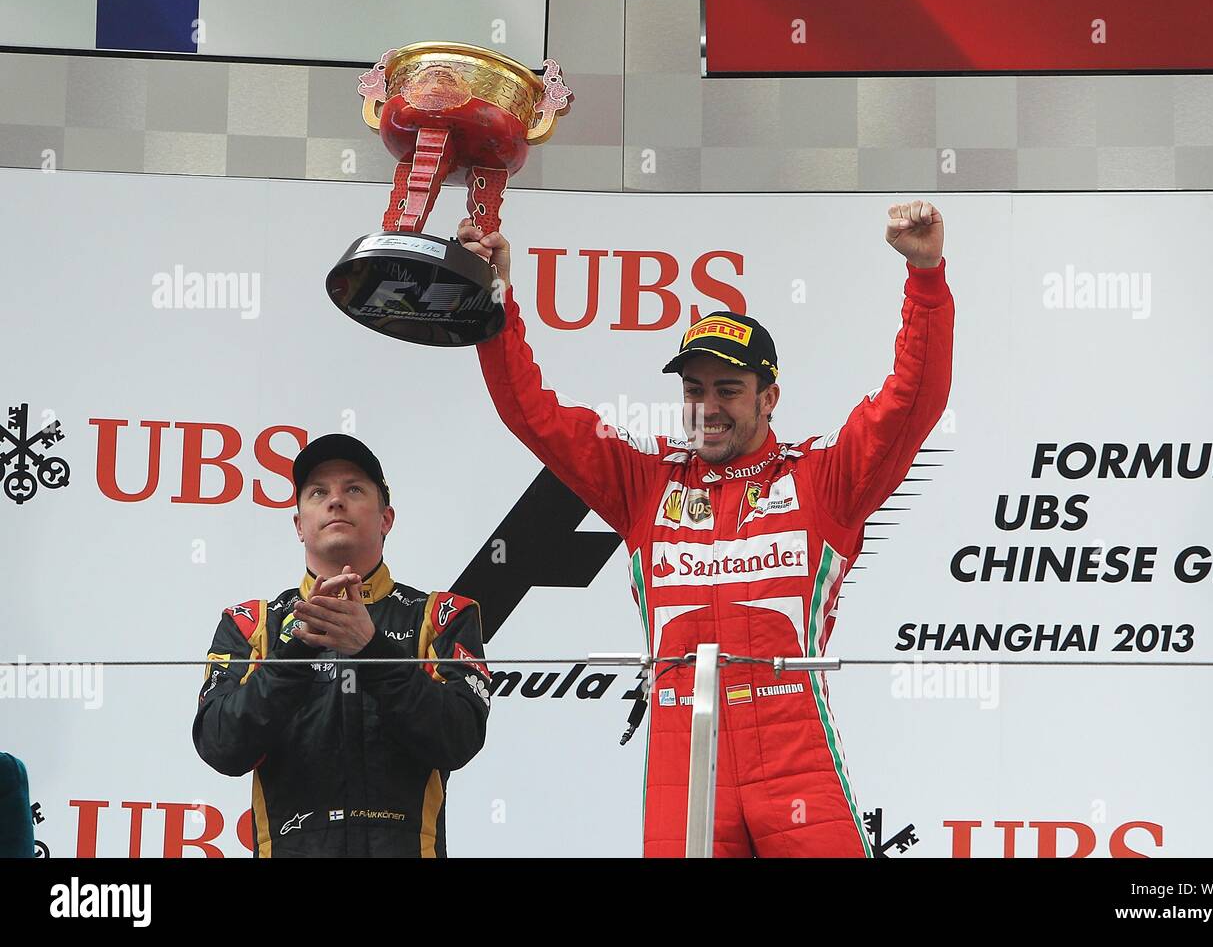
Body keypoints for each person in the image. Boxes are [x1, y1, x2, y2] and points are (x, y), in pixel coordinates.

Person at [460, 200, 953, 857]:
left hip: (792, 753)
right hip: (682, 760)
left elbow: (911, 402)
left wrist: (925, 279)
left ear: (768, 396)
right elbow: (533, 414)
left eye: (727, 389)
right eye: (694, 390)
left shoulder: (821, 479)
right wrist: (495, 295)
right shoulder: (646, 481)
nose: (707, 408)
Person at [192, 434, 490, 857]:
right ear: (298, 524)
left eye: (353, 488)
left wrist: (372, 650)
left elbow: (457, 739)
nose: (335, 501)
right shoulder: (250, 623)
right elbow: (222, 747)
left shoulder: (442, 615)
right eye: (318, 492)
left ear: (386, 518)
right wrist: (297, 650)